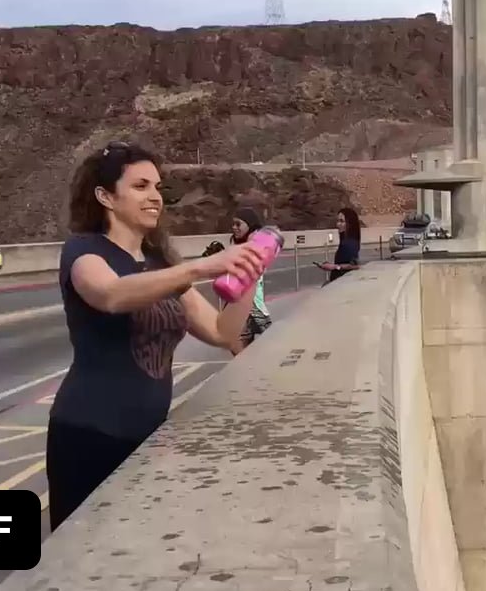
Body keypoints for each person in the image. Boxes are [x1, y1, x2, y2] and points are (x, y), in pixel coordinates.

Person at [47, 141, 267, 531]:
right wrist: (199, 268)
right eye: (140, 186)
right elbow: (112, 296)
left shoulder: (159, 263)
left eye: (157, 187)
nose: (154, 197)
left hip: (148, 437)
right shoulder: (83, 252)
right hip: (89, 436)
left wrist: (249, 273)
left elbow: (220, 331)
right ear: (105, 196)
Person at [225, 207, 272, 353]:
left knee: (241, 352)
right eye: (233, 224)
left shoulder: (256, 247)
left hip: (251, 306)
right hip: (238, 306)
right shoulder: (238, 247)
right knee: (241, 351)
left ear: (250, 226)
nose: (234, 228)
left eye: (238, 224)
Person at [318, 207, 362, 284]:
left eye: (342, 221)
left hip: (343, 283)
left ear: (350, 223)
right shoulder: (346, 241)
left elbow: (355, 266)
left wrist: (334, 267)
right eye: (338, 221)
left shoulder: (350, 243)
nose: (338, 224)